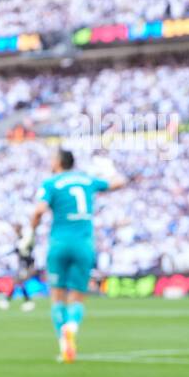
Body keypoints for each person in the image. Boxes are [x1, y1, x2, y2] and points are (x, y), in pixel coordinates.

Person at [27, 150, 129, 362]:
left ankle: (64, 343)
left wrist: (31, 231)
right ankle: (72, 327)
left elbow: (39, 210)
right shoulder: (86, 180)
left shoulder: (51, 183)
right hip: (84, 244)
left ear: (58, 162)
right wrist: (109, 168)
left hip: (59, 244)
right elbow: (119, 182)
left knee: (57, 297)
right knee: (77, 297)